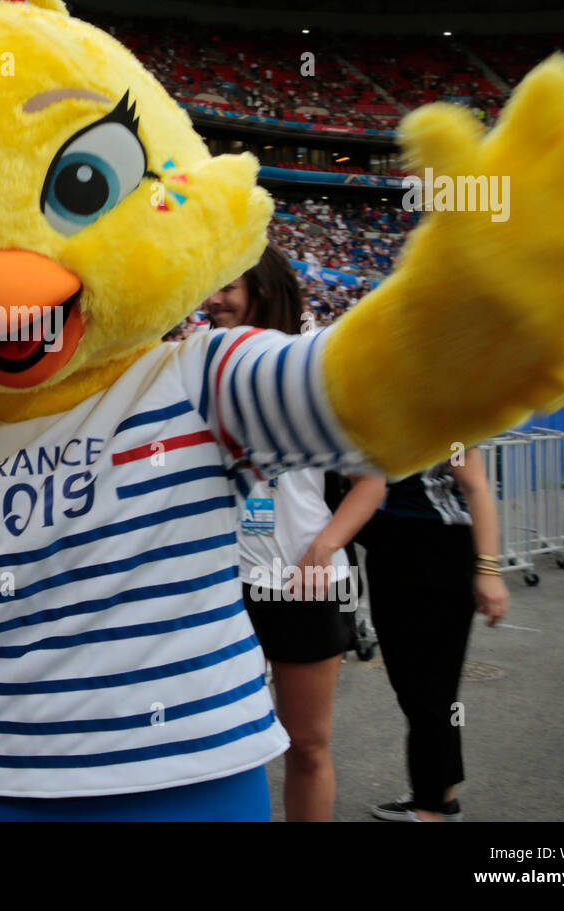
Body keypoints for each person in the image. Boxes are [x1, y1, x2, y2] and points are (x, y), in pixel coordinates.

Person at [206, 247, 387, 822]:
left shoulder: (315, 373)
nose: (213, 299)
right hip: (224, 584)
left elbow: (370, 482)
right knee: (224, 745)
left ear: (262, 291)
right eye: (210, 287)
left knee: (305, 744)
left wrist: (326, 545)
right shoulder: (197, 373)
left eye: (227, 287)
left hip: (305, 585)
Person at [359, 450, 510, 822]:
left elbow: (476, 488)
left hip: (437, 550)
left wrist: (489, 570)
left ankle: (430, 811)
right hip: (389, 550)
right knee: (416, 688)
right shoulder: (376, 402)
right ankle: (441, 793)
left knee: (429, 690)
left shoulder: (447, 407)